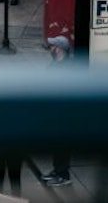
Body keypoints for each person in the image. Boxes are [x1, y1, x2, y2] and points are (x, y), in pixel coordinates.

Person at [39, 36, 73, 187]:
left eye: (53, 46)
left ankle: (63, 174)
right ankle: (57, 170)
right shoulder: (55, 64)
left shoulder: (67, 69)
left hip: (64, 116)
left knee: (62, 145)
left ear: (59, 49)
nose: (50, 48)